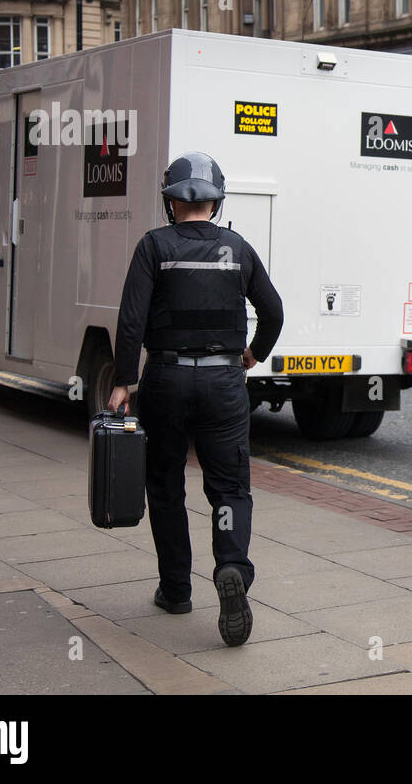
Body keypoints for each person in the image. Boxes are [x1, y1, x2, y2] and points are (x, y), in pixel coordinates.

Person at [108, 152, 283, 648]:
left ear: (170, 201)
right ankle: (230, 566)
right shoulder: (238, 249)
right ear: (216, 201)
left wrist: (123, 380)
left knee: (164, 485)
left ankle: (176, 589)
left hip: (164, 379)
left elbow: (131, 321)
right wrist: (253, 354)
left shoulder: (153, 247)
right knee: (229, 487)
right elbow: (274, 311)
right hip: (224, 383)